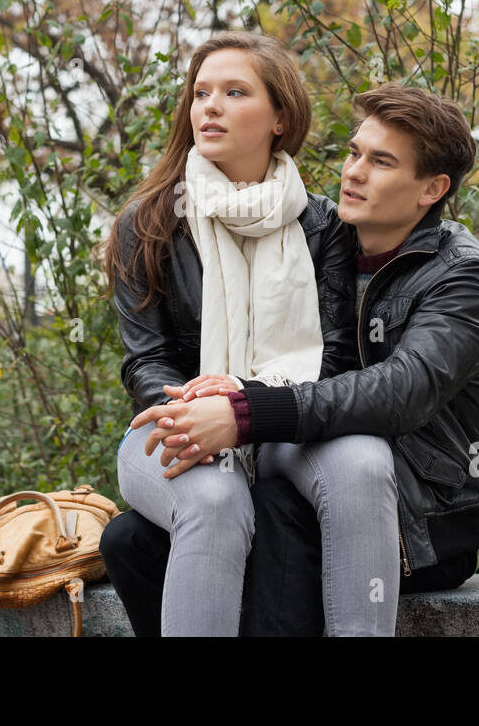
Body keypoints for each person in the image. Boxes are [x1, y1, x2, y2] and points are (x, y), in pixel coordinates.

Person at [124, 82, 479, 635]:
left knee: (284, 511)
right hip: (306, 469)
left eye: (381, 162)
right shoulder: (321, 238)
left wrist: (245, 411)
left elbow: (401, 389)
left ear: (432, 188)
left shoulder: (462, 275)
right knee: (132, 539)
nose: (353, 171)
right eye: (354, 152)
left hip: (416, 518)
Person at [101, 31, 403, 637]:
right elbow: (146, 361)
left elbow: (338, 355)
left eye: (235, 92)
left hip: (287, 419)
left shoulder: (324, 226)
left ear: (279, 117)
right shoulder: (151, 222)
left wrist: (240, 400)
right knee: (214, 501)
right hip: (173, 423)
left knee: (365, 461)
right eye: (201, 92)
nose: (209, 106)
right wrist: (191, 408)